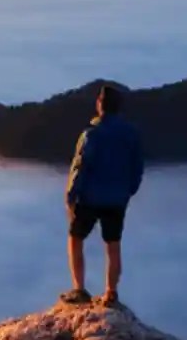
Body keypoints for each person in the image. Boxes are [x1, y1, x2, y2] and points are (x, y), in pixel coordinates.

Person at [60, 85, 144, 306]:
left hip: (89, 198)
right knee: (113, 245)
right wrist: (128, 191)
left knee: (76, 239)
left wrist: (71, 195)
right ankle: (111, 293)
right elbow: (137, 168)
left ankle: (79, 289)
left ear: (99, 105)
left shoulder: (91, 134)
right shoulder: (131, 134)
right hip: (117, 199)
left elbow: (80, 166)